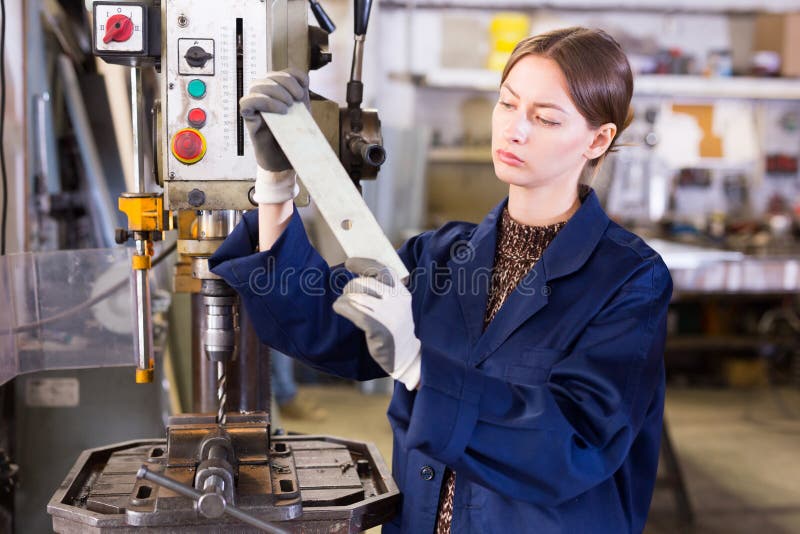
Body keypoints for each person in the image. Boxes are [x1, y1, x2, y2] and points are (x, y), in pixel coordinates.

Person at [209, 26, 672, 534]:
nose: (515, 129)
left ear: (598, 139)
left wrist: (416, 366)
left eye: (545, 118)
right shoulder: (443, 256)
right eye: (507, 104)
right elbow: (320, 322)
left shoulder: (629, 280)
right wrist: (276, 183)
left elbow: (574, 443)